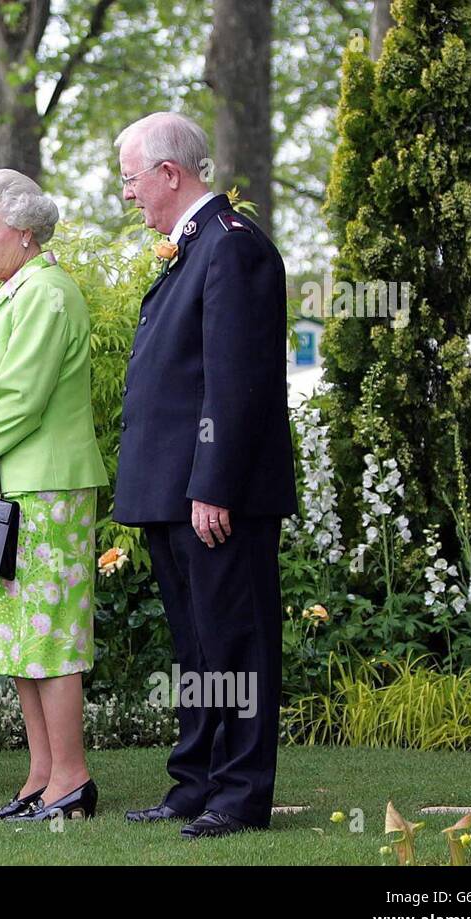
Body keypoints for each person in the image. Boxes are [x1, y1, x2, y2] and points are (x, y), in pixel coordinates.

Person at [112, 112, 297, 838]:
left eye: (131, 178)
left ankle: (241, 792)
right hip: (173, 489)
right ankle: (195, 780)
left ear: (169, 173)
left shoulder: (233, 248)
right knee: (197, 645)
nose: (128, 194)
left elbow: (238, 380)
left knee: (237, 642)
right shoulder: (194, 248)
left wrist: (212, 484)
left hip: (216, 495)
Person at [0, 169, 109, 821]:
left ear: (28, 232)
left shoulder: (46, 293)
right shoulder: (17, 290)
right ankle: (42, 775)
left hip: (45, 487)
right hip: (12, 484)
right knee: (21, 639)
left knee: (51, 636)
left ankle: (71, 778)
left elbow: (23, 396)